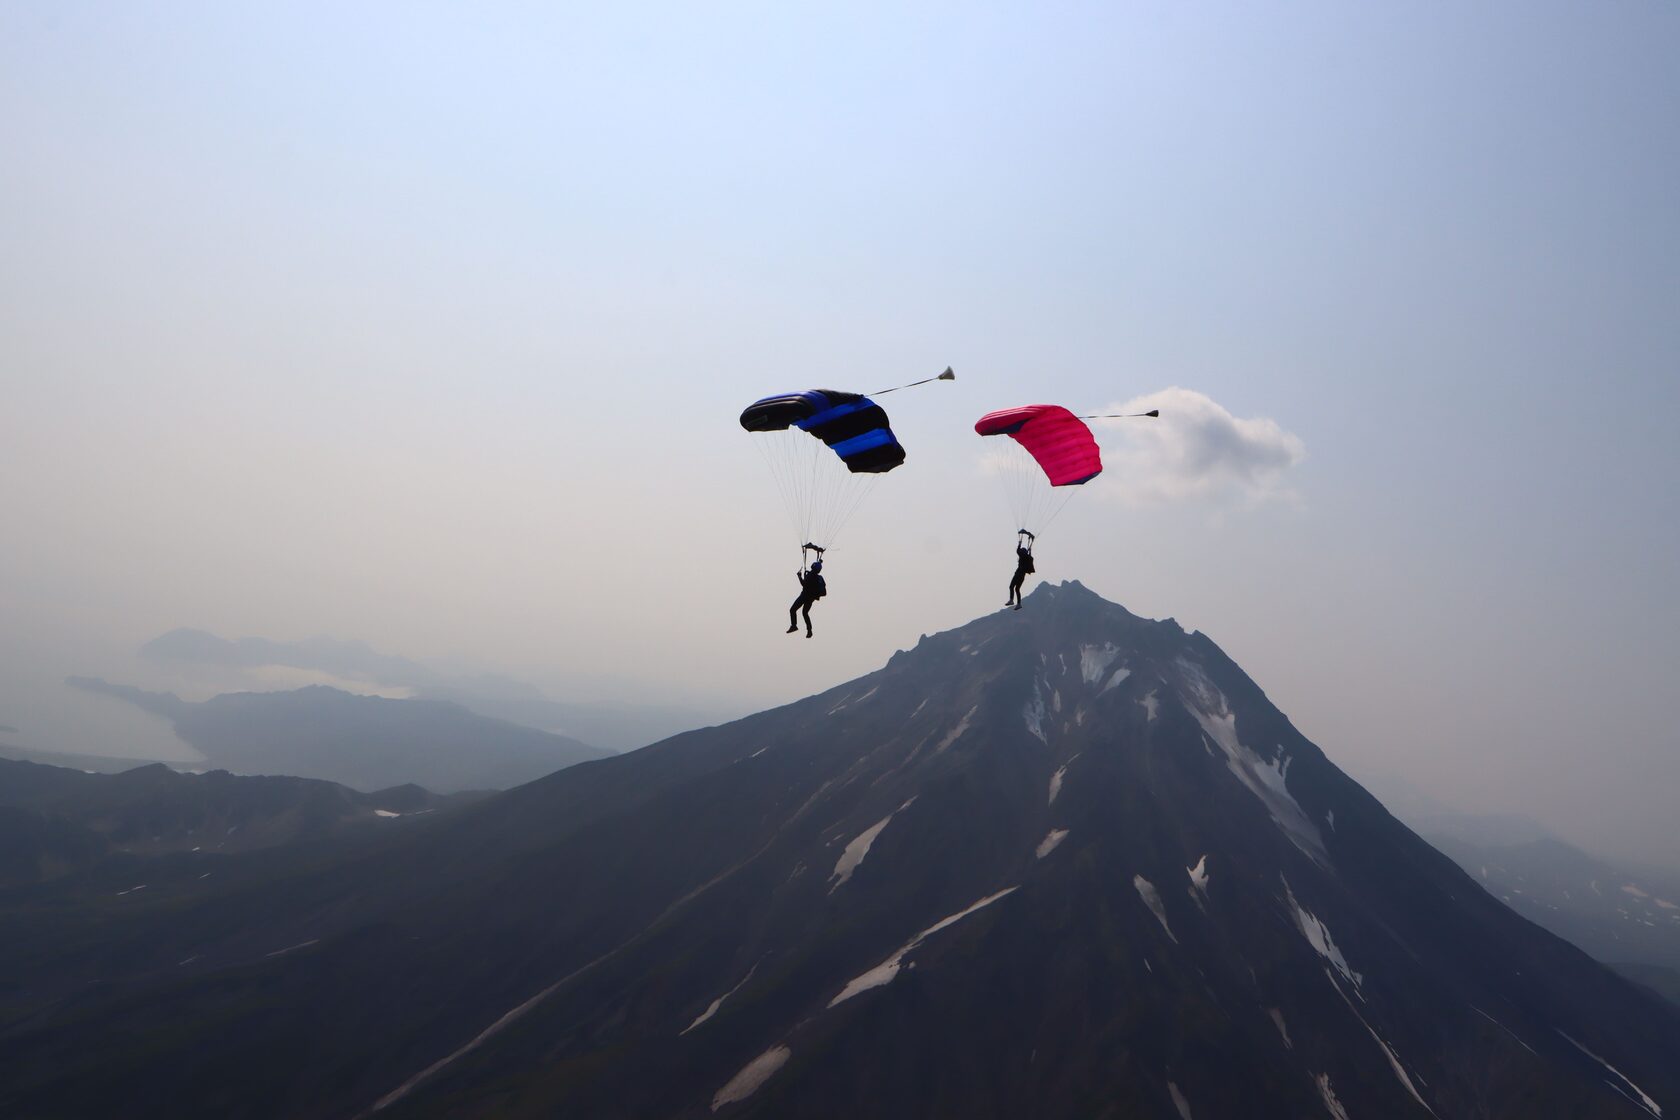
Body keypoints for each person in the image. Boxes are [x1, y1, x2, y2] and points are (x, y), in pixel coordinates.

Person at [788, 557, 826, 637]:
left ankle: (794, 626)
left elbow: (803, 584)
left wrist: (799, 576)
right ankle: (809, 631)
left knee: (792, 610)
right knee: (805, 613)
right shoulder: (817, 577)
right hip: (811, 599)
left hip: (804, 596)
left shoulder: (811, 575)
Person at [1007, 532, 1035, 610]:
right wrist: (1029, 551)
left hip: (1018, 574)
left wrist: (1019, 543)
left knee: (1011, 586)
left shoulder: (1023, 556)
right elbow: (1025, 554)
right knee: (1017, 589)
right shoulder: (1028, 558)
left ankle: (1012, 600)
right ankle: (1019, 604)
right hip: (1022, 576)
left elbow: (1018, 551)